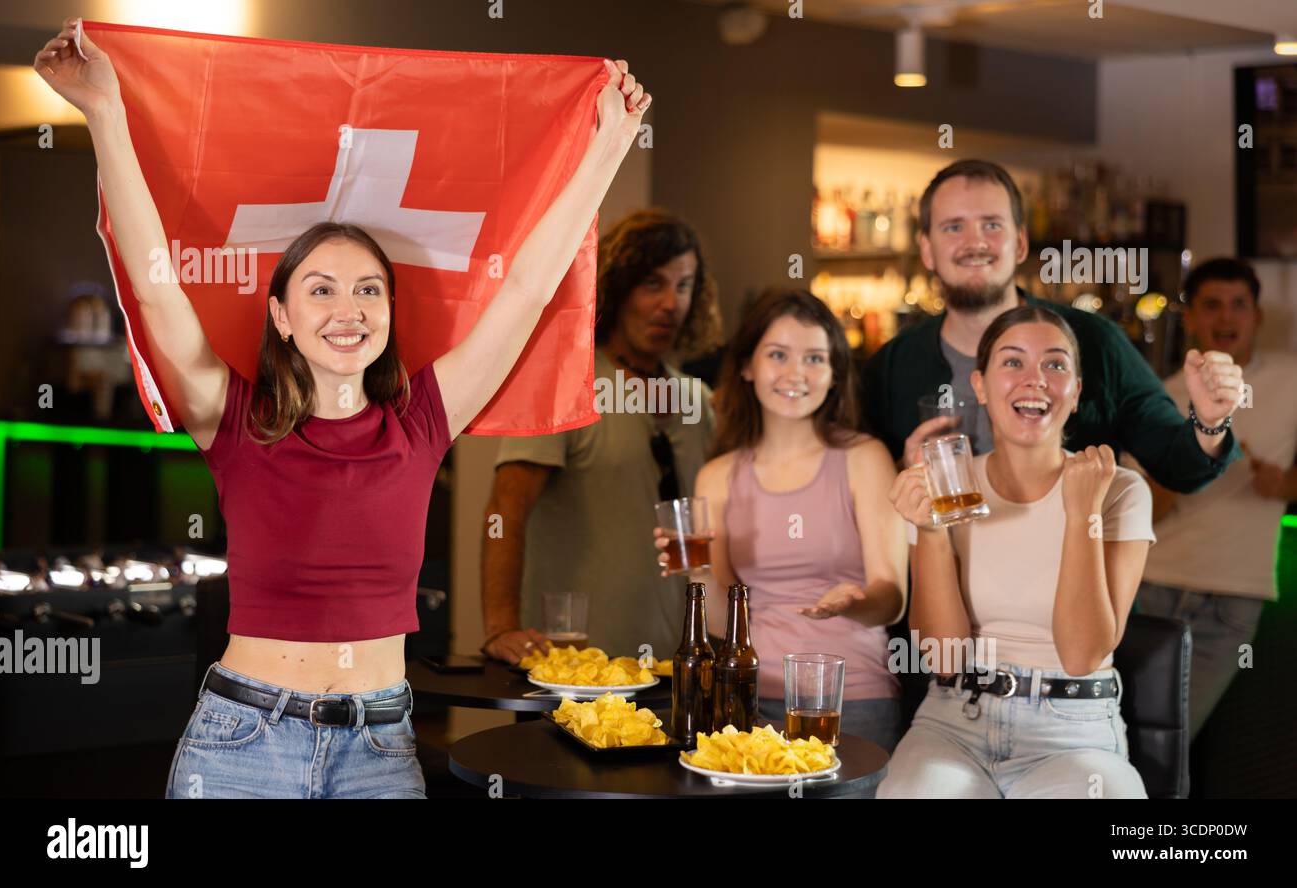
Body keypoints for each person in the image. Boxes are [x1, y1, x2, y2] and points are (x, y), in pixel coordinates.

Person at [36, 18, 652, 798]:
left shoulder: (424, 420)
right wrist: (106, 115)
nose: (348, 308)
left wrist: (607, 148)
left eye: (368, 290)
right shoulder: (234, 423)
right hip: (242, 744)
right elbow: (157, 285)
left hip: (380, 748)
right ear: (283, 318)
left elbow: (528, 288)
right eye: (319, 290)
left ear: (390, 313)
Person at [879, 305, 1174, 799]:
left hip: (1074, 733)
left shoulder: (1120, 491)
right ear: (979, 385)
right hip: (955, 722)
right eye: (1013, 362)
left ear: (1076, 392)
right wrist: (929, 531)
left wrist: (1082, 515)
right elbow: (942, 659)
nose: (1035, 379)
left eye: (1055, 365)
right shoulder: (946, 484)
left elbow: (1082, 655)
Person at [861, 159, 1244, 487]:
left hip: (1067, 572)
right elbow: (851, 489)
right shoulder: (891, 367)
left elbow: (1179, 466)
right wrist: (897, 472)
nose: (974, 242)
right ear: (926, 249)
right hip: (936, 573)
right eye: (953, 227)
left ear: (1021, 243)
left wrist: (1209, 422)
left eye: (992, 225)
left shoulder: (1094, 342)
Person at [655, 289, 908, 754]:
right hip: (746, 703)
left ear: (834, 375)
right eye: (778, 355)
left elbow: (890, 599)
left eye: (815, 358)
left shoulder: (864, 458)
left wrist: (852, 602)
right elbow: (718, 619)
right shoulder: (718, 475)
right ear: (748, 367)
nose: (796, 373)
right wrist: (697, 568)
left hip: (850, 700)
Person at [480, 209, 722, 664]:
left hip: (676, 670)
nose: (671, 303)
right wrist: (500, 628)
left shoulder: (699, 403)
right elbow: (505, 509)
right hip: (572, 671)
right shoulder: (566, 384)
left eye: (684, 285)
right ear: (616, 288)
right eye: (653, 283)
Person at [1132, 258, 1297, 739]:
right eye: (1212, 306)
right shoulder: (1159, 397)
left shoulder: (1290, 381)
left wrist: (1285, 485)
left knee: (1167, 743)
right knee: (1134, 738)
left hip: (1234, 593)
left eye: (1238, 306)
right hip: (1153, 587)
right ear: (1191, 318)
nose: (1226, 318)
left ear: (1257, 316)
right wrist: (1189, 459)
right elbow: (1142, 513)